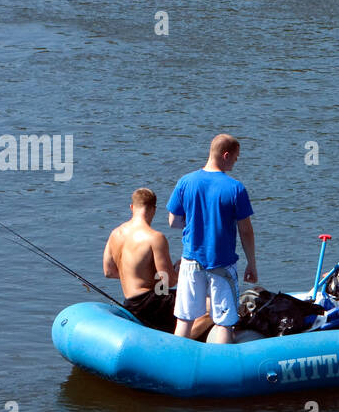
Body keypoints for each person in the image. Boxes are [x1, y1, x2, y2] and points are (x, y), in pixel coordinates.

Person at [167, 134, 257, 344]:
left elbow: (173, 221)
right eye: (235, 158)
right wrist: (252, 263)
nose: (235, 162)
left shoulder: (185, 182)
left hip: (190, 263)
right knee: (224, 323)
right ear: (226, 155)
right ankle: (221, 371)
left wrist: (195, 223)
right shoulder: (236, 188)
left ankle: (176, 363)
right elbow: (245, 230)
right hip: (222, 265)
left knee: (185, 320)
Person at [103, 188, 212, 339]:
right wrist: (181, 270)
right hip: (152, 302)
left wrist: (138, 277)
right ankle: (178, 347)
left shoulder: (115, 233)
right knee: (212, 308)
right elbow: (169, 281)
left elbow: (108, 271)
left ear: (132, 207)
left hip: (130, 303)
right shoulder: (154, 238)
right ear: (153, 209)